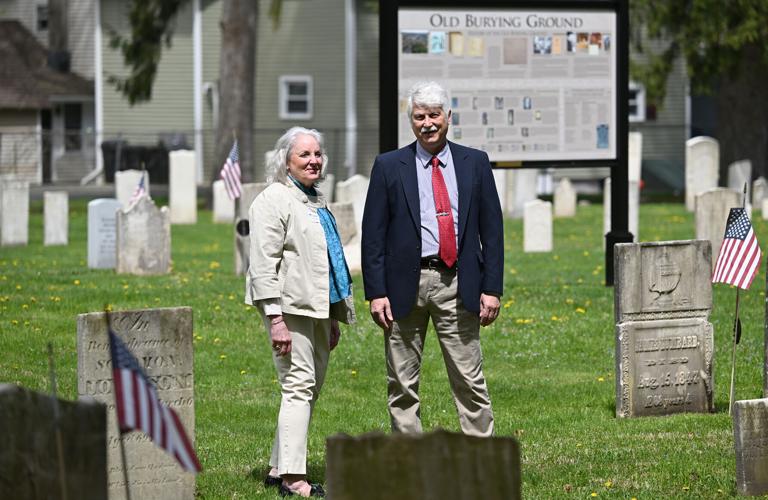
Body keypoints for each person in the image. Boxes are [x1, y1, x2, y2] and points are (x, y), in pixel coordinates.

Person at [361, 81, 503, 437]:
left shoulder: (475, 163)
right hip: (402, 289)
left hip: (458, 283)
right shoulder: (389, 166)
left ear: (448, 117)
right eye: (419, 116)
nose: (427, 123)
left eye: (434, 115)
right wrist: (376, 292)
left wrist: (492, 288)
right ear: (411, 120)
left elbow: (493, 232)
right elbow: (373, 236)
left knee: (469, 378)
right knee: (402, 382)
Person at [246, 127, 355, 497]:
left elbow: (326, 261)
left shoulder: (314, 199)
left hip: (317, 309)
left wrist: (332, 317)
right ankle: (294, 479)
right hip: (289, 308)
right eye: (304, 155)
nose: (313, 161)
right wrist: (275, 319)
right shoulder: (273, 200)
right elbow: (263, 265)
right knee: (298, 386)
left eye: (317, 154)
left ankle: (278, 467)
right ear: (286, 161)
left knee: (308, 389)